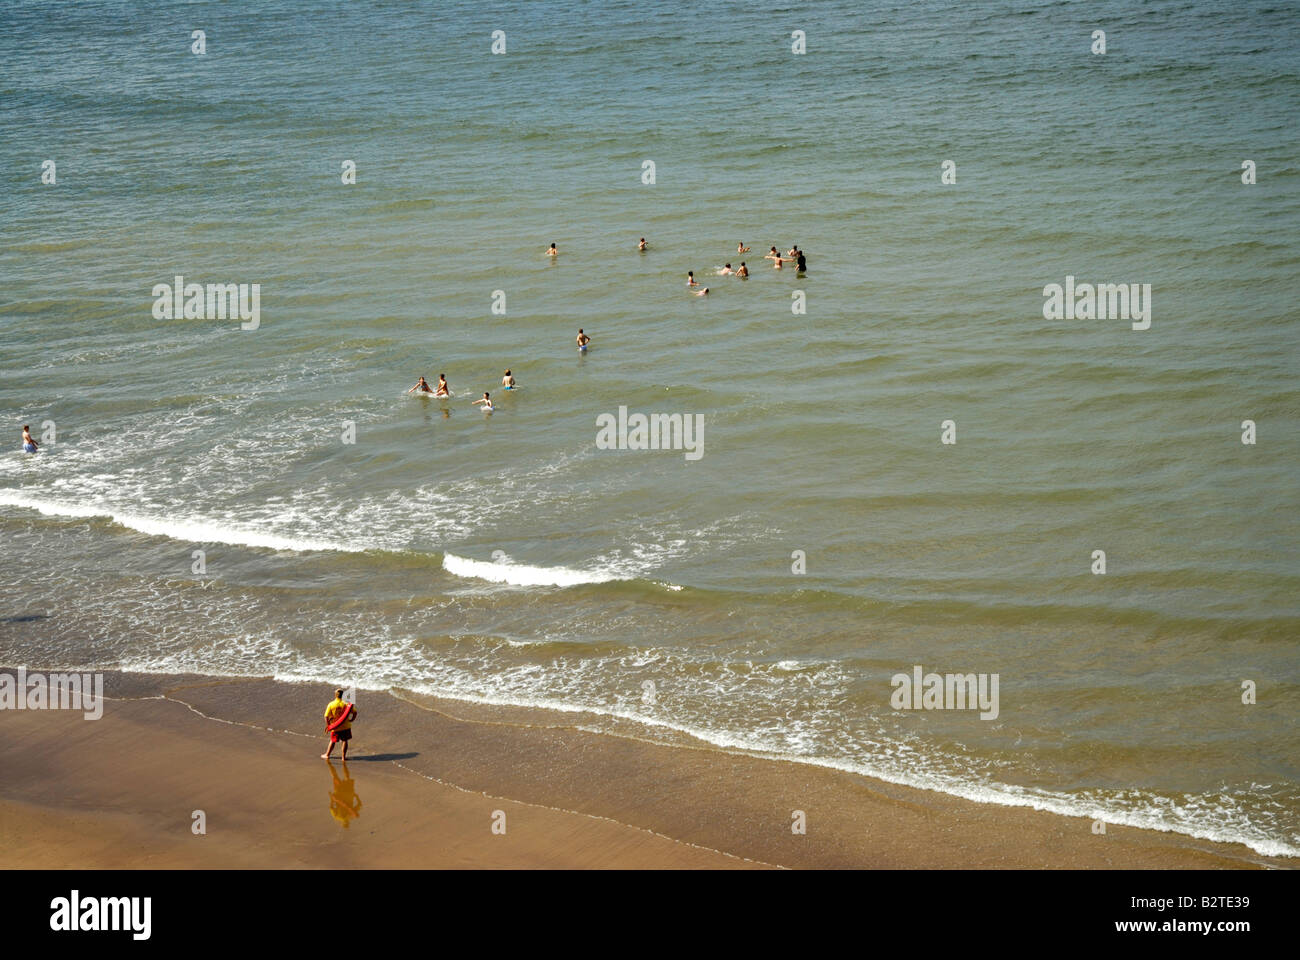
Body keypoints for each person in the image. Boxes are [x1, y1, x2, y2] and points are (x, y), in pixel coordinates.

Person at [322, 689, 357, 760]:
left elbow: (326, 716)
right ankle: (343, 757)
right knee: (345, 741)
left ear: (335, 695)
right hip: (345, 726)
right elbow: (355, 712)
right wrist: (352, 719)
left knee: (332, 741)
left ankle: (327, 755)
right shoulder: (346, 704)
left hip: (335, 726)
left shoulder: (331, 704)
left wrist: (329, 726)